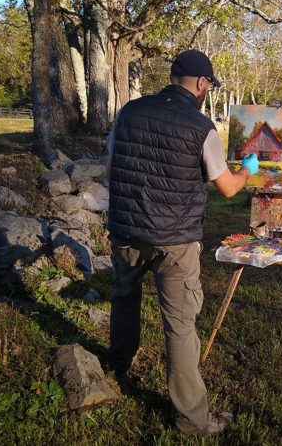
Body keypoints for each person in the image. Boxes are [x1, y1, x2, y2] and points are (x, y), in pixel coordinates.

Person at [104, 49, 259, 436]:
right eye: (208, 85)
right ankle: (192, 420)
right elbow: (226, 188)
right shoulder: (200, 126)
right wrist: (247, 171)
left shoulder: (129, 112)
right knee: (179, 325)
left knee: (124, 298)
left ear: (173, 77)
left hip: (126, 230)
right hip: (175, 241)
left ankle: (116, 369)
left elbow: (110, 168)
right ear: (202, 84)